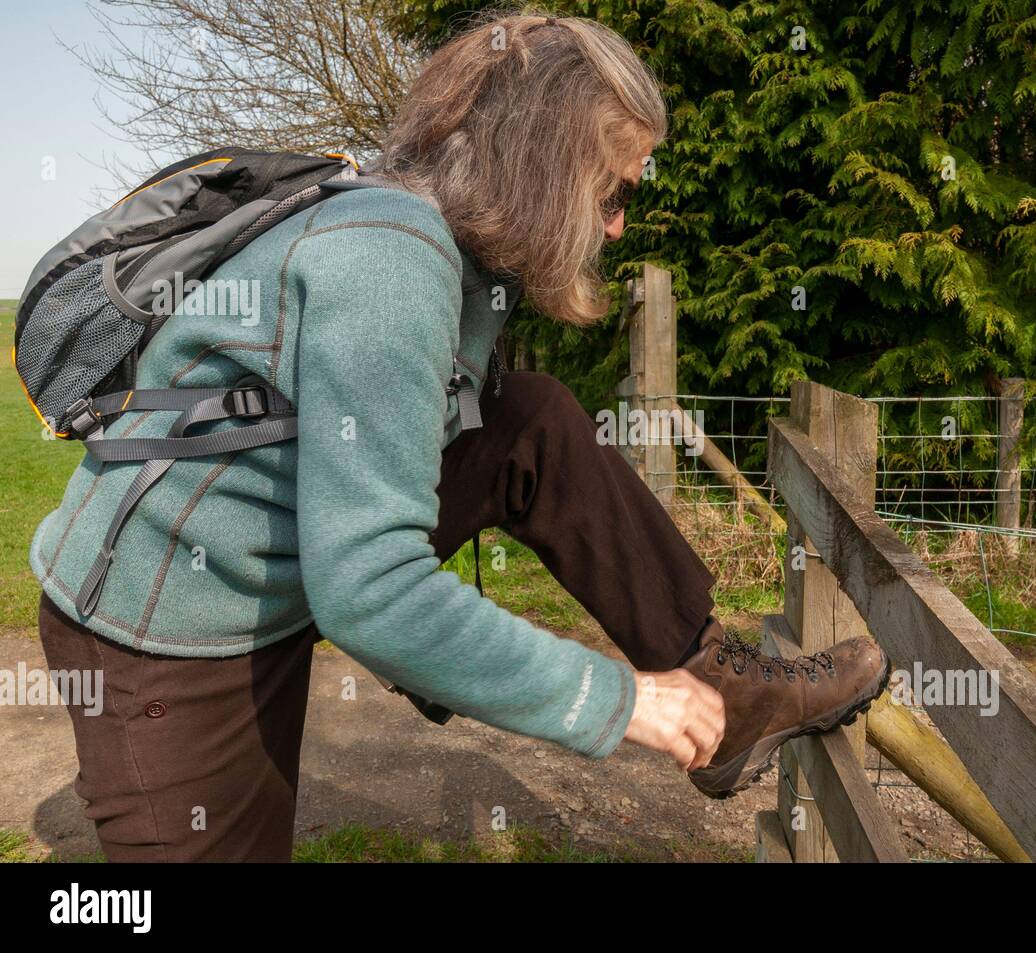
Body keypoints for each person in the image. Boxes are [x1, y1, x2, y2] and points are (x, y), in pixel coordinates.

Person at [32, 10, 889, 862]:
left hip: (273, 564)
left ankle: (727, 697)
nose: (620, 223)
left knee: (536, 419)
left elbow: (454, 451)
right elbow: (372, 589)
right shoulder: (389, 261)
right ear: (544, 165)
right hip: (165, 635)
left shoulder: (450, 248)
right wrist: (617, 700)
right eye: (614, 190)